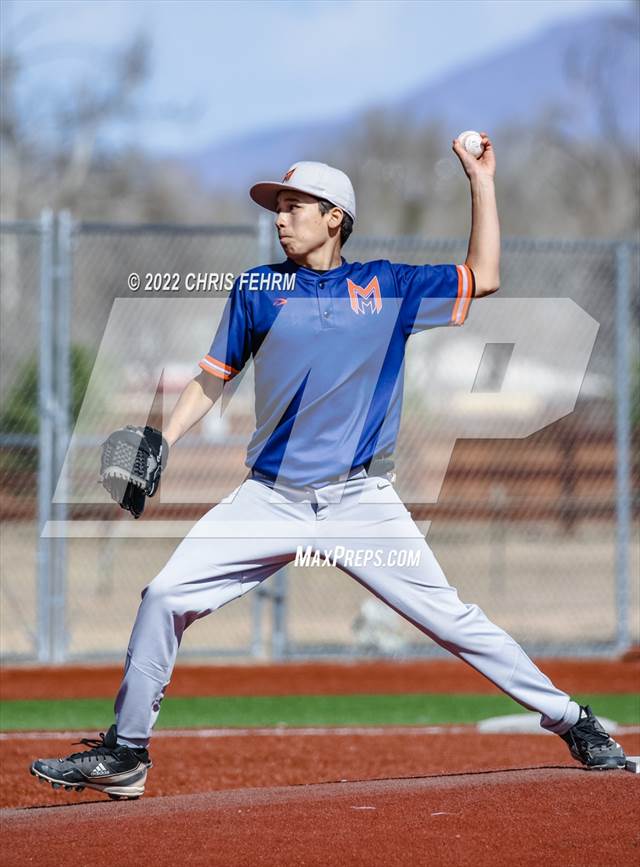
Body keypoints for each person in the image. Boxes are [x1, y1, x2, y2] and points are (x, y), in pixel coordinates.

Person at [30, 136, 626, 800]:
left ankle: (574, 721)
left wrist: (480, 181)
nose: (279, 219)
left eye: (293, 206)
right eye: (276, 209)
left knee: (454, 620)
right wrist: (161, 436)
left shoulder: (389, 287)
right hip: (269, 498)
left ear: (334, 216)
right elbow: (211, 380)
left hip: (360, 502)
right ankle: (127, 751)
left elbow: (483, 276)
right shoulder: (257, 289)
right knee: (165, 596)